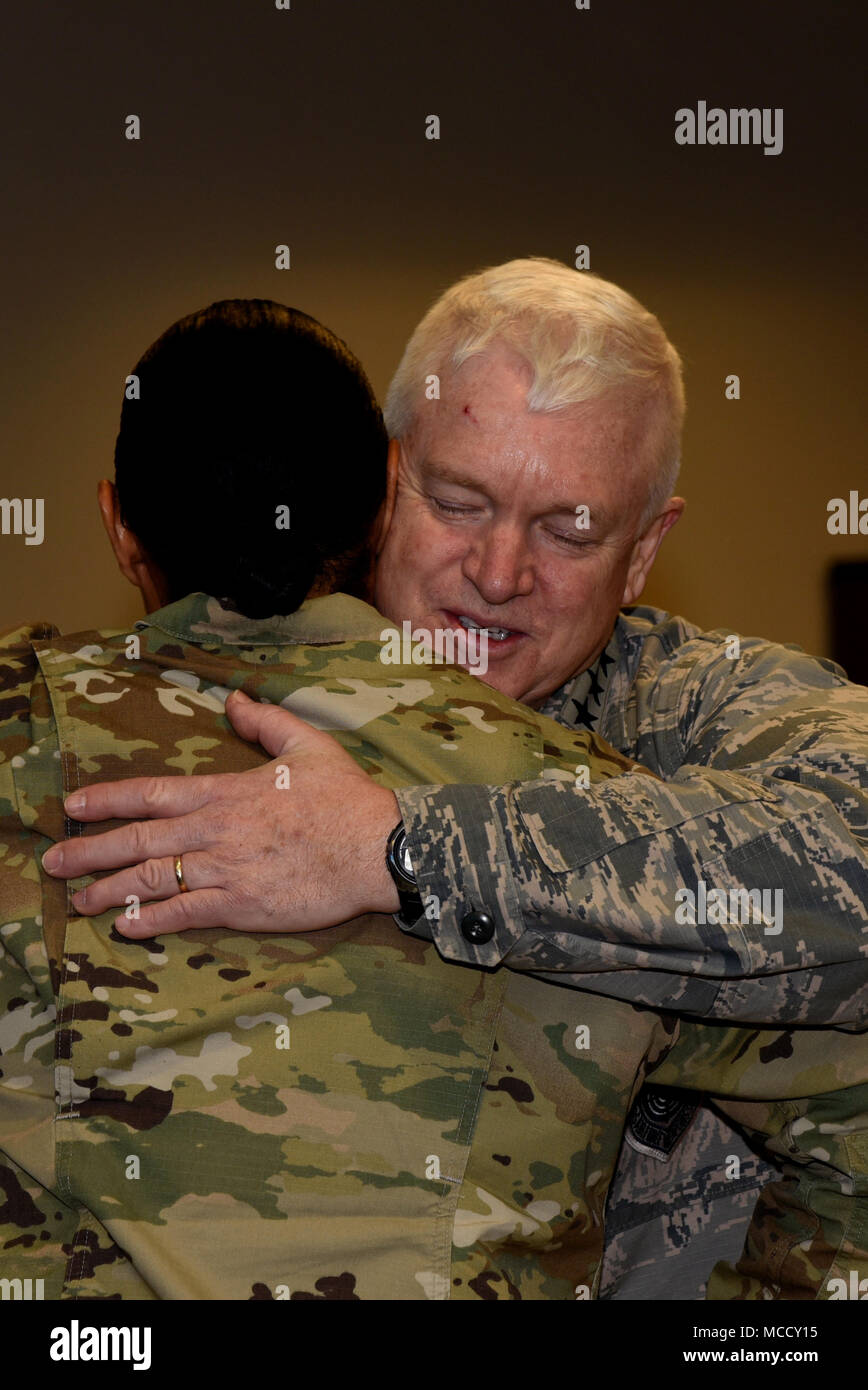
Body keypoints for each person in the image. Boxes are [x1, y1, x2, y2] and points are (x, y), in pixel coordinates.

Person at [3, 298, 865, 1301]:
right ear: (386, 491)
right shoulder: (572, 773)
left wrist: (405, 847)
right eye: (459, 503)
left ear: (642, 551)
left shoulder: (687, 720)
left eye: (567, 527)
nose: (498, 575)